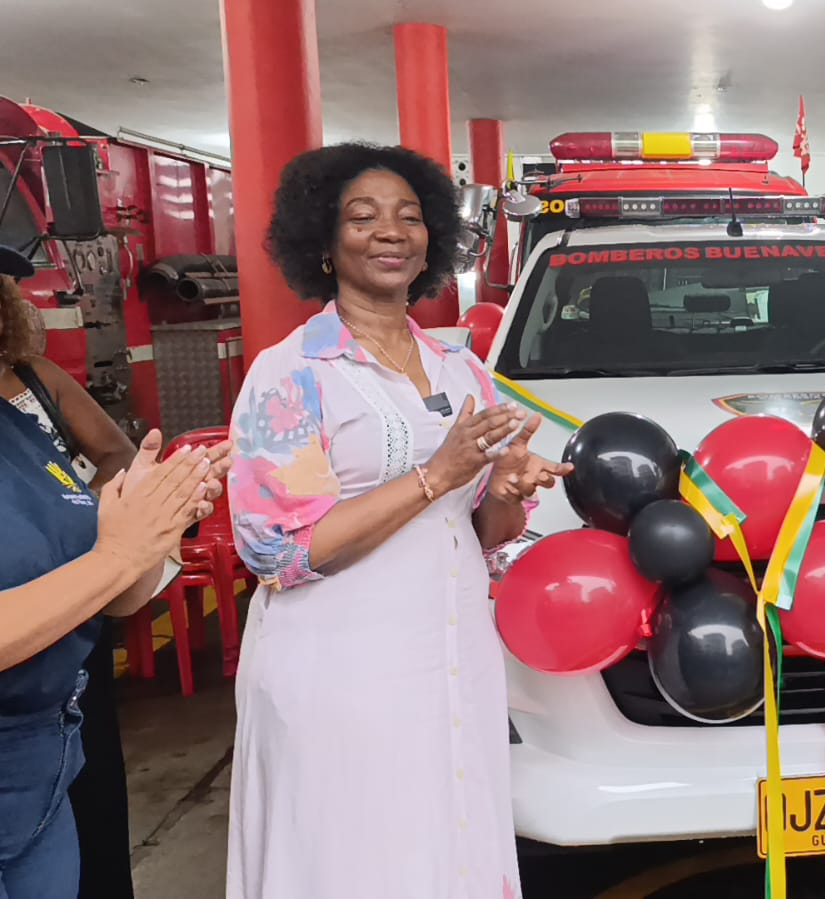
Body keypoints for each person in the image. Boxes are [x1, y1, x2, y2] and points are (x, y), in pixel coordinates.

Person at [224, 143, 572, 899]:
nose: (390, 232)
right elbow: (278, 550)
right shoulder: (295, 374)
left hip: (450, 661)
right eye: (362, 217)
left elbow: (481, 529)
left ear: (433, 241)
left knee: (449, 848)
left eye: (409, 217)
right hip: (340, 673)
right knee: (356, 859)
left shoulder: (460, 369)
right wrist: (433, 476)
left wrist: (505, 488)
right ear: (321, 240)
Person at [1, 240, 229, 899]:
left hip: (46, 771)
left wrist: (152, 521)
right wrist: (116, 553)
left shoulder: (17, 422)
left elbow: (116, 589)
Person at [0, 250, 144, 897]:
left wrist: (139, 529)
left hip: (55, 736)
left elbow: (113, 461)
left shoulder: (20, 413)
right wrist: (113, 558)